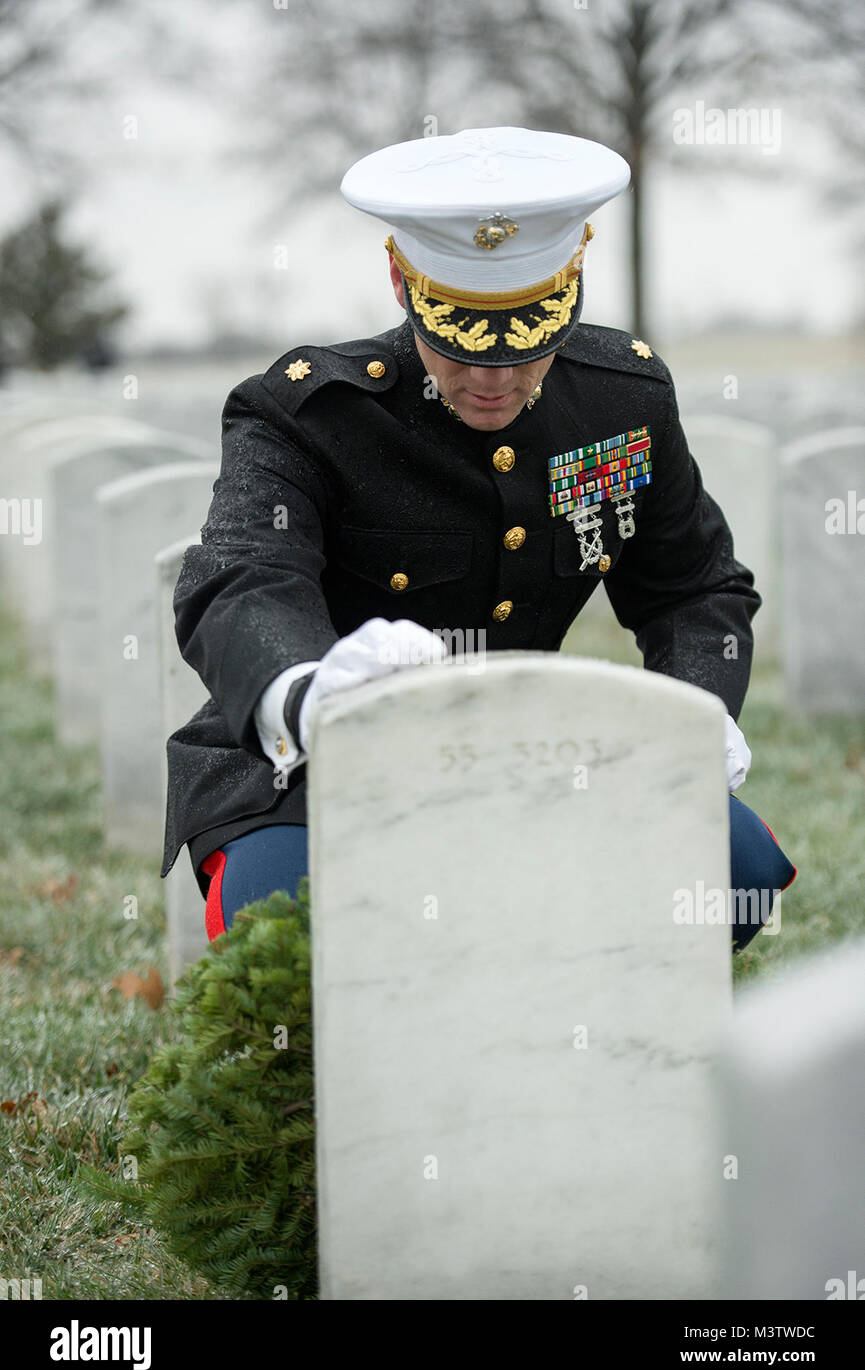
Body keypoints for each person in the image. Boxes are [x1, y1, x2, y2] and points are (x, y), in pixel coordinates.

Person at [159, 126, 796, 953]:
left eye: (527, 336)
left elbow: (692, 586)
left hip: (520, 741)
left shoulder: (621, 401)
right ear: (400, 278)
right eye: (457, 335)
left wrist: (693, 706)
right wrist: (311, 690)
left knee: (733, 873)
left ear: (572, 282)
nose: (491, 376)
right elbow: (240, 576)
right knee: (278, 932)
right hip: (310, 767)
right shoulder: (306, 414)